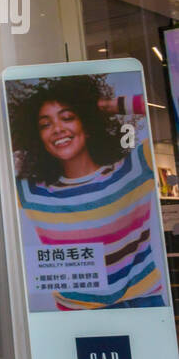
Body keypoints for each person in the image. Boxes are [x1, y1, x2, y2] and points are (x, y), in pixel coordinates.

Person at [10, 75, 164, 309]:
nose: (57, 129)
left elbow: (167, 107)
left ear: (88, 124)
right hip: (76, 316)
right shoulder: (31, 192)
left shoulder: (133, 170)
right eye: (45, 125)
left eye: (68, 117)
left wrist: (104, 106)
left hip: (142, 304)